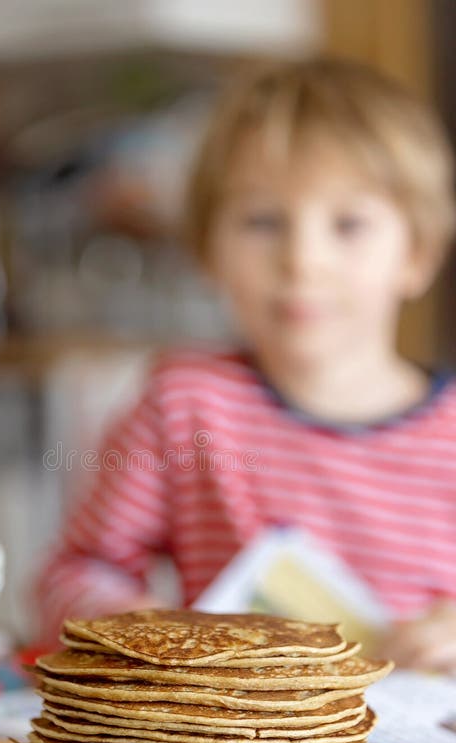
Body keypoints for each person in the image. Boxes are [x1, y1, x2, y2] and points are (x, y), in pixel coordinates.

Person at [33, 56, 456, 672]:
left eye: (348, 224)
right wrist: (134, 623)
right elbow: (73, 572)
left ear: (416, 253)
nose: (303, 260)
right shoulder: (184, 405)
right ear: (209, 251)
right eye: (263, 222)